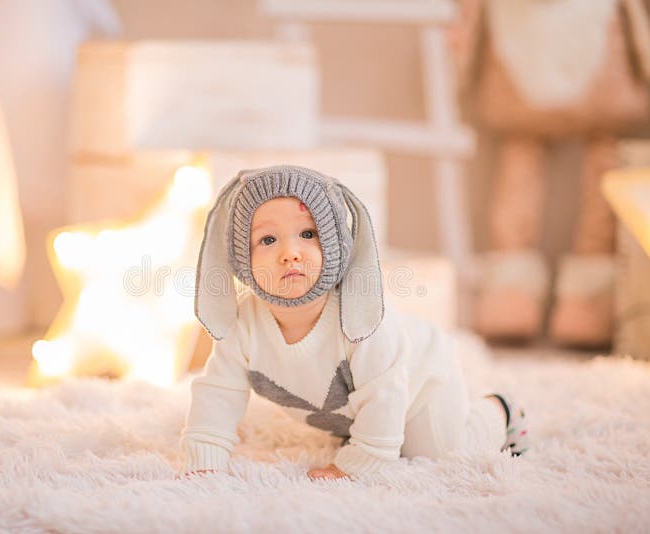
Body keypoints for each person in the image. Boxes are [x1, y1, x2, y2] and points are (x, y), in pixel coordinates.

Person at [180, 165, 528, 479]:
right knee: (375, 422)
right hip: (353, 408)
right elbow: (218, 394)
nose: (290, 252)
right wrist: (205, 459)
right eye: (268, 239)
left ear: (334, 245)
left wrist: (358, 463)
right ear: (242, 256)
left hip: (420, 380)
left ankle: (500, 410)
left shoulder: (361, 321)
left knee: (436, 452)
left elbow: (385, 392)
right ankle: (364, 429)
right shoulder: (242, 326)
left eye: (308, 234)